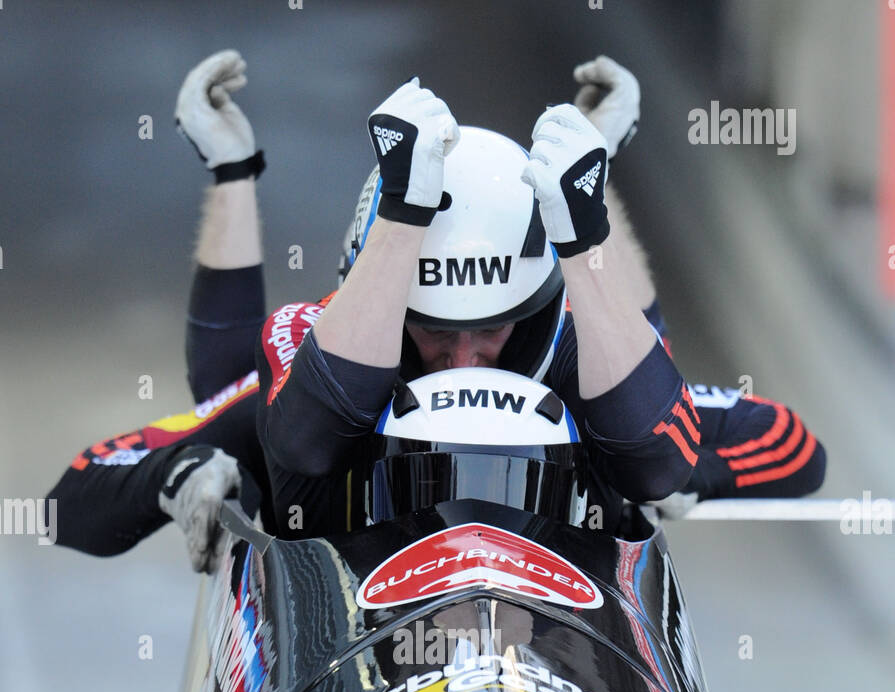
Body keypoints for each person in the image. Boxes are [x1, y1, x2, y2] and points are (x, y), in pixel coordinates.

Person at [48, 53, 826, 572]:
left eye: (488, 331)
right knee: (253, 417)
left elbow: (792, 451)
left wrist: (668, 465)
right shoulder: (310, 341)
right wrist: (178, 472)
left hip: (559, 666)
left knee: (644, 421)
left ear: (536, 309)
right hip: (357, 662)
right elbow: (73, 499)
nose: (461, 361)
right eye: (434, 331)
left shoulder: (587, 364)